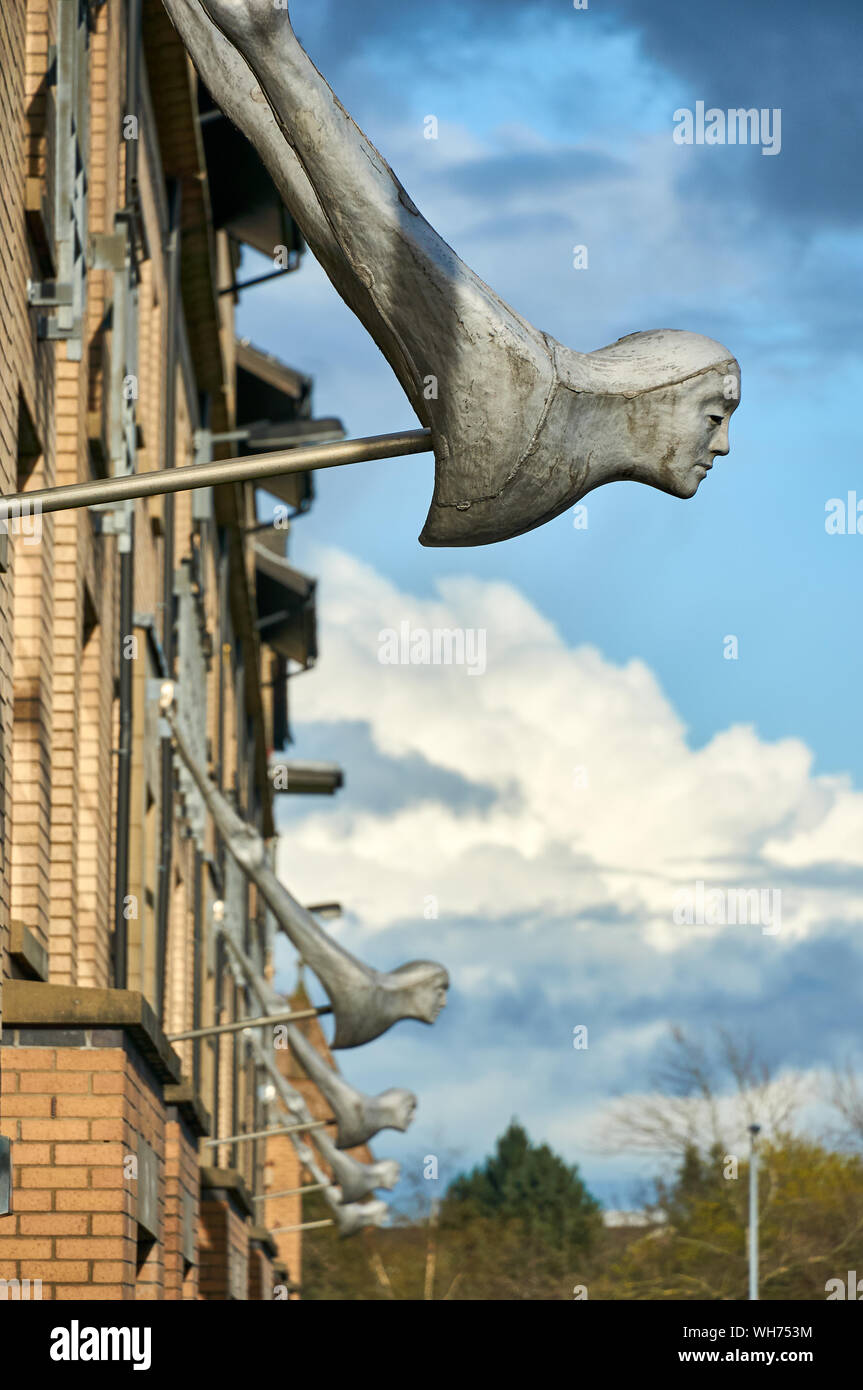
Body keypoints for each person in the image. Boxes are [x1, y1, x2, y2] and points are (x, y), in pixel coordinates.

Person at [166, 0, 740, 546]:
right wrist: (271, 45)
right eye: (713, 416)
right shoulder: (526, 391)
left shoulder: (542, 421)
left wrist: (258, 44)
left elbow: (342, 222)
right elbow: (381, 224)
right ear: (658, 393)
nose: (723, 445)